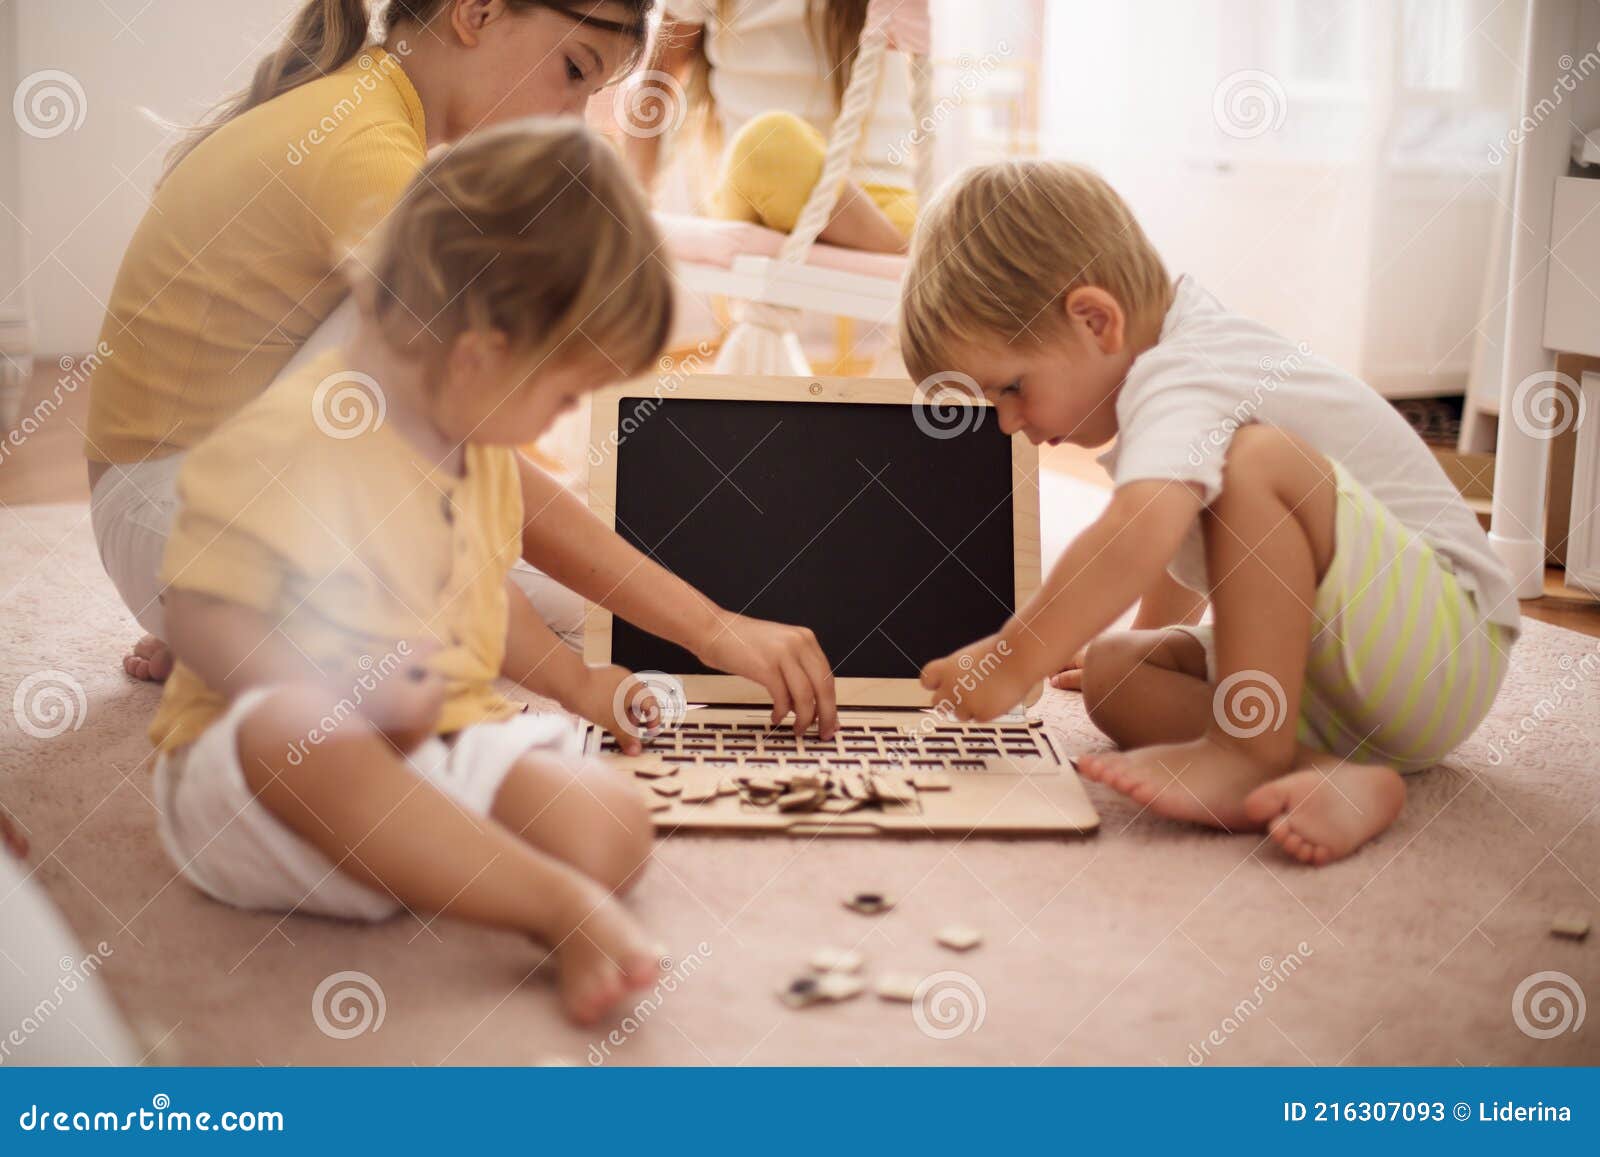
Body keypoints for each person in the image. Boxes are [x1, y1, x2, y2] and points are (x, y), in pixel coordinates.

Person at [152, 121, 678, 1025]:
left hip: (429, 746)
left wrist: (576, 681)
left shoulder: (475, 448)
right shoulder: (304, 433)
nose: (566, 415)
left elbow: (485, 593)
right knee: (298, 729)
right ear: (481, 355)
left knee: (614, 823)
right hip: (262, 782)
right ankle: (549, 906)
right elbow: (194, 605)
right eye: (563, 392)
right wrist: (322, 683)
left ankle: (441, 857)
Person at [903, 160, 1519, 866]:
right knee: (1114, 671)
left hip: (1445, 643)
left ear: (1097, 320)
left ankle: (1246, 750)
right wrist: (1147, 642)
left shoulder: (1187, 366)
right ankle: (1330, 775)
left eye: (1011, 388)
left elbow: (1140, 533)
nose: (1008, 423)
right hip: (1342, 683)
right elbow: (1182, 538)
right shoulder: (1163, 366)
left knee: (1256, 462)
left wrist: (1014, 658)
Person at [624, 0, 916, 252]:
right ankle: (901, 257)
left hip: (882, 196)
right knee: (769, 142)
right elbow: (656, 86)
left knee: (957, 216)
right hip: (761, 192)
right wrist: (637, 205)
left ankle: (895, 250)